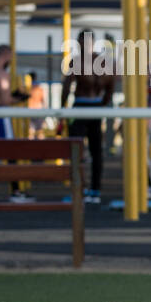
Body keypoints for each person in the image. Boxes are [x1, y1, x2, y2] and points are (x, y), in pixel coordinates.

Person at [61, 30, 116, 205]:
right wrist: (102, 104)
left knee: (77, 150)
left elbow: (66, 87)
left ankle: (81, 189)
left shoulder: (76, 61)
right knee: (95, 149)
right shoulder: (102, 62)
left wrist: (62, 110)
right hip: (95, 106)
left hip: (80, 106)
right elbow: (110, 87)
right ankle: (95, 190)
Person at [0, 44, 33, 202]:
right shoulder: (3, 75)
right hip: (0, 114)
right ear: (6, 55)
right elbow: (4, 100)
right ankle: (15, 191)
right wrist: (20, 98)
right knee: (11, 152)